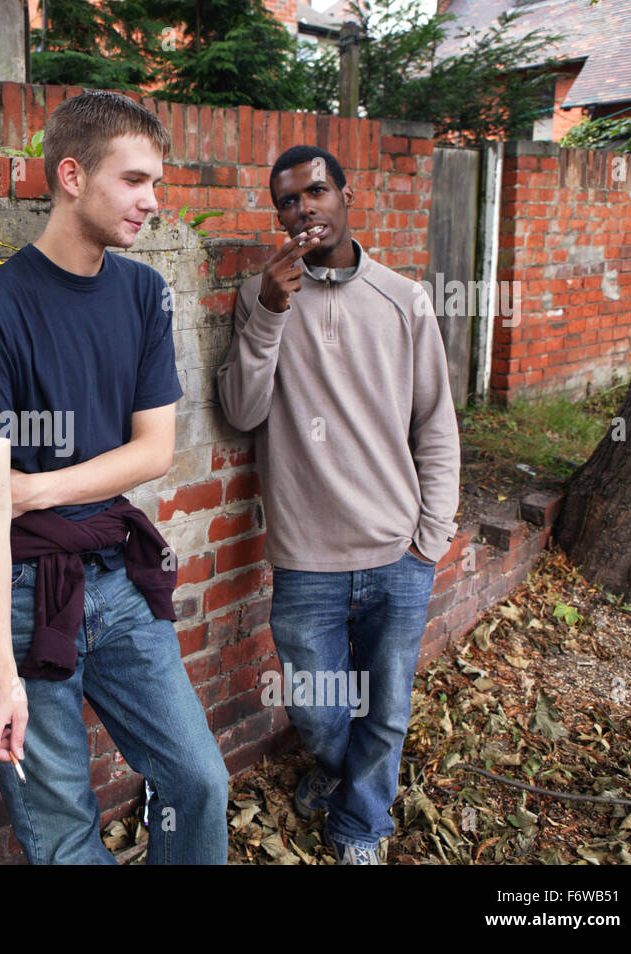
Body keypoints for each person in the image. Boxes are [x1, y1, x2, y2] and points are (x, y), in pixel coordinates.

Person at [0, 91, 230, 865]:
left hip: (117, 576)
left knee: (199, 782)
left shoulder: (141, 295)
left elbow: (152, 451)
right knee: (65, 836)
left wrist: (34, 489)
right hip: (27, 594)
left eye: (155, 183)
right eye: (134, 180)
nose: (151, 202)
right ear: (71, 174)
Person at [216, 145, 460, 864]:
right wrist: (268, 312)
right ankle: (335, 769)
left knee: (384, 711)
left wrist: (432, 538)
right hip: (306, 562)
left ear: (346, 194)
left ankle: (361, 824)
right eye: (287, 202)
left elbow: (436, 425)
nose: (303, 209)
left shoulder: (403, 299)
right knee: (319, 713)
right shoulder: (264, 297)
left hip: (396, 552)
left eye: (315, 191)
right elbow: (241, 410)